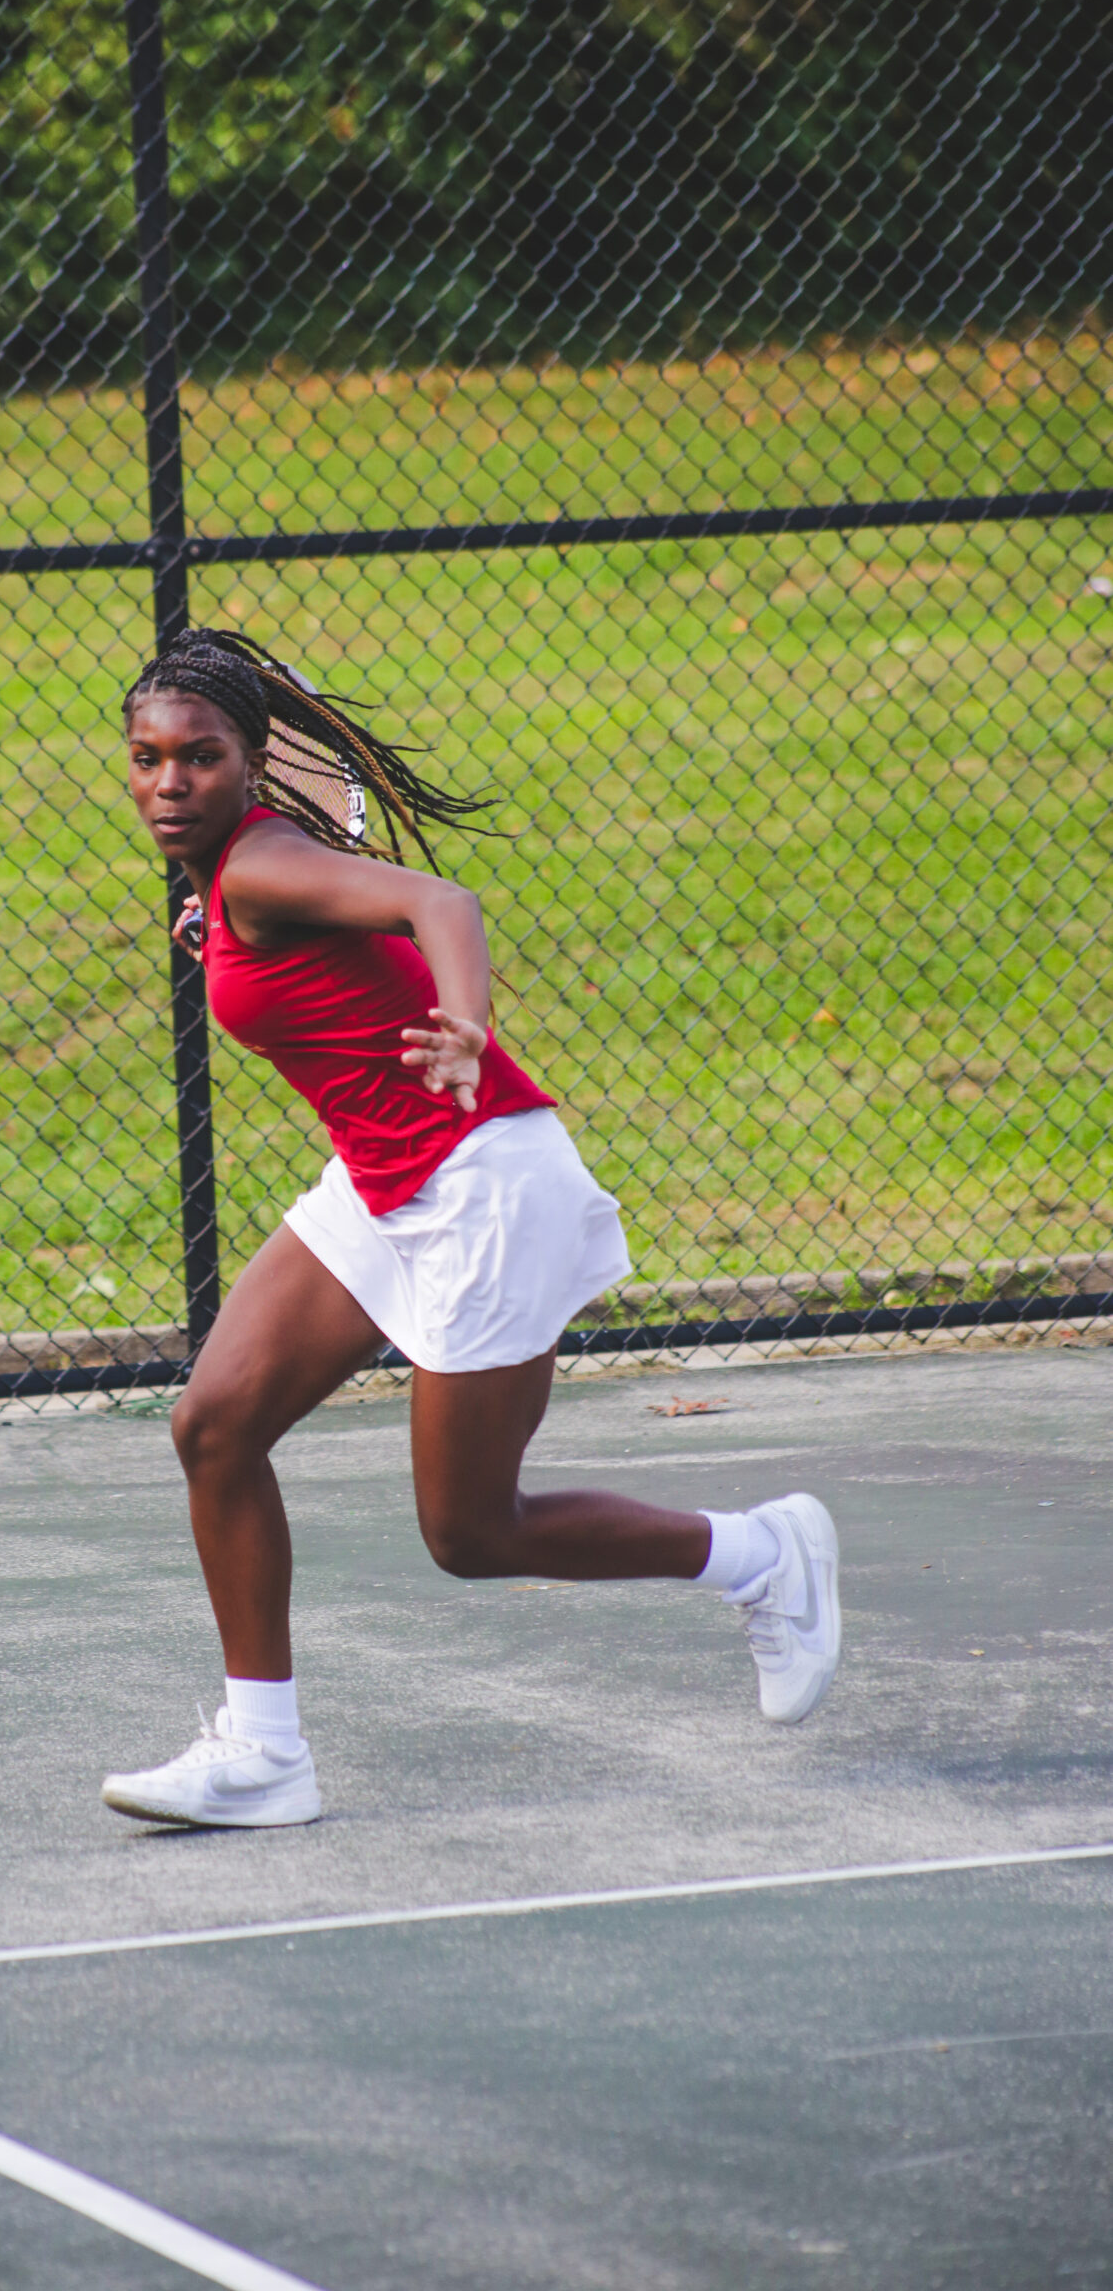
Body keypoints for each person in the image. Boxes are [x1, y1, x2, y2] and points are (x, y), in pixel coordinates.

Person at [101, 631, 840, 1828]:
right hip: (383, 1182)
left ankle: (759, 1555)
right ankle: (263, 1753)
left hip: (485, 1182)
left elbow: (441, 899)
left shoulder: (262, 870)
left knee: (473, 1529)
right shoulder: (227, 889)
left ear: (249, 768)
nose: (171, 782)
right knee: (216, 1424)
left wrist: (460, 1021)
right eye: (149, 759)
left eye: (200, 757)